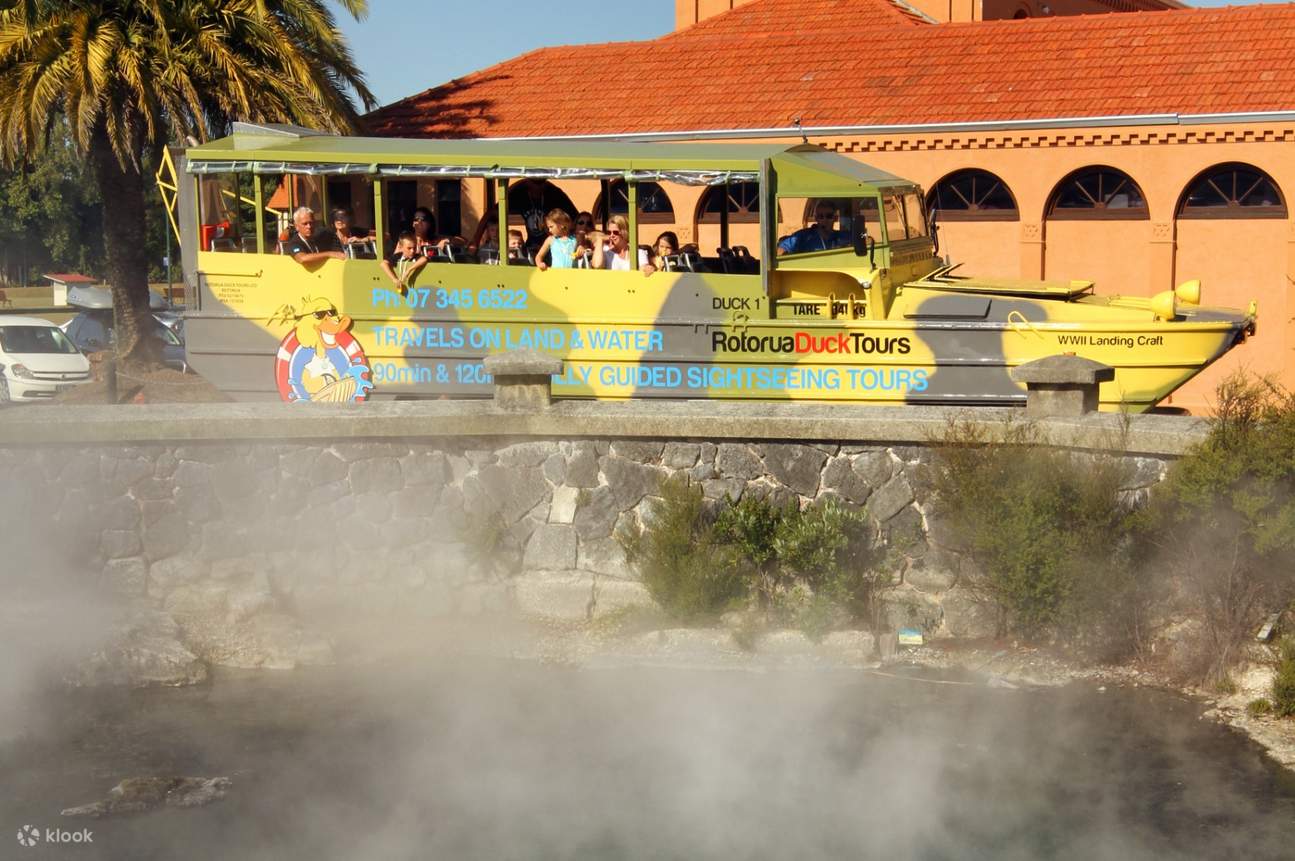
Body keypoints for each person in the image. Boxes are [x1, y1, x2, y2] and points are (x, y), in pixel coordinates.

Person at [777, 201, 851, 255]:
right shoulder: (803, 236)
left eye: (829, 216)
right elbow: (782, 249)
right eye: (821, 216)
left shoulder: (843, 236)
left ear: (835, 218)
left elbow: (860, 239)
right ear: (816, 218)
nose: (825, 220)